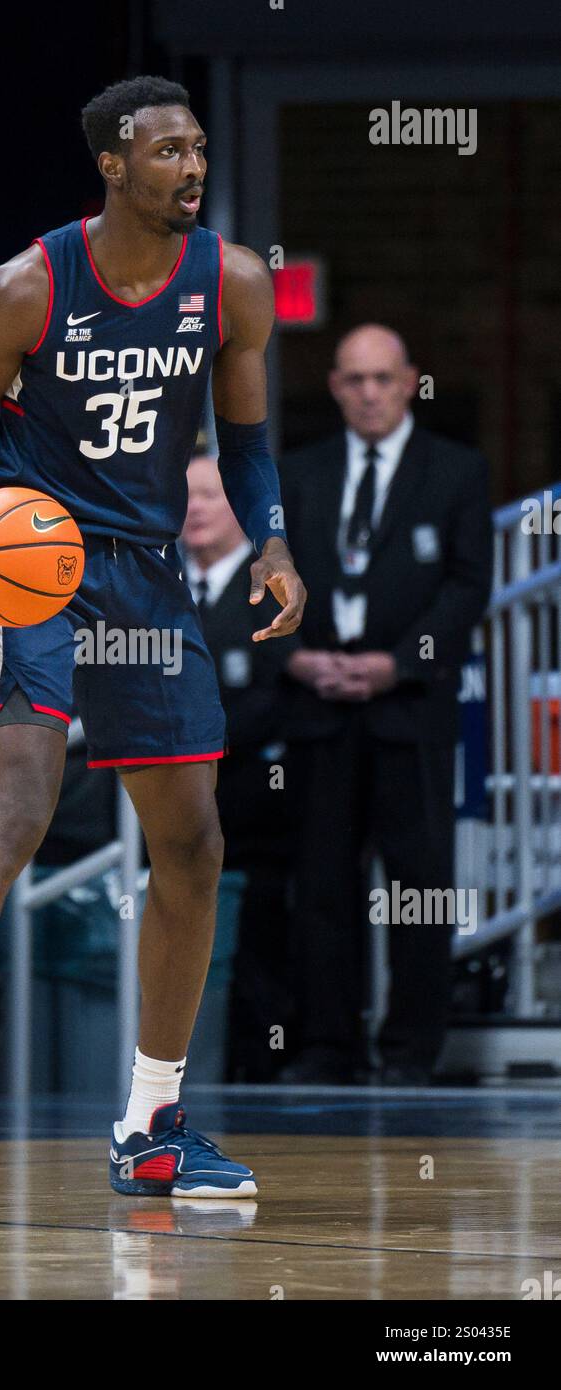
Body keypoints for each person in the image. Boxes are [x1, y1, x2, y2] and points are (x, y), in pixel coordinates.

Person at [0, 73, 306, 1202]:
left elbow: (242, 442)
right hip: (30, 560)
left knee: (192, 843)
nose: (190, 167)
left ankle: (150, 1121)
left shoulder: (234, 283)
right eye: (166, 152)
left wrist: (275, 543)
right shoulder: (23, 287)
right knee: (17, 807)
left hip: (146, 578)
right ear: (111, 162)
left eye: (197, 149)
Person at [277, 324, 493, 1085]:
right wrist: (293, 656)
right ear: (335, 386)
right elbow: (267, 575)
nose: (369, 393)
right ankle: (327, 1048)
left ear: (409, 382)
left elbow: (468, 586)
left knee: (419, 888)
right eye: (354, 380)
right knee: (323, 884)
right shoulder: (297, 473)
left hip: (411, 710)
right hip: (319, 706)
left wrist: (395, 665)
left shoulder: (457, 471)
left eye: (383, 379)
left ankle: (409, 1052)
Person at [182, 454, 298, 1081]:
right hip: (174, 809)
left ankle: (255, 1082)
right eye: (186, 495)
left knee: (255, 960)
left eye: (210, 494)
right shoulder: (161, 585)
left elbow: (274, 698)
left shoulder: (276, 589)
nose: (195, 507)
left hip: (255, 814)